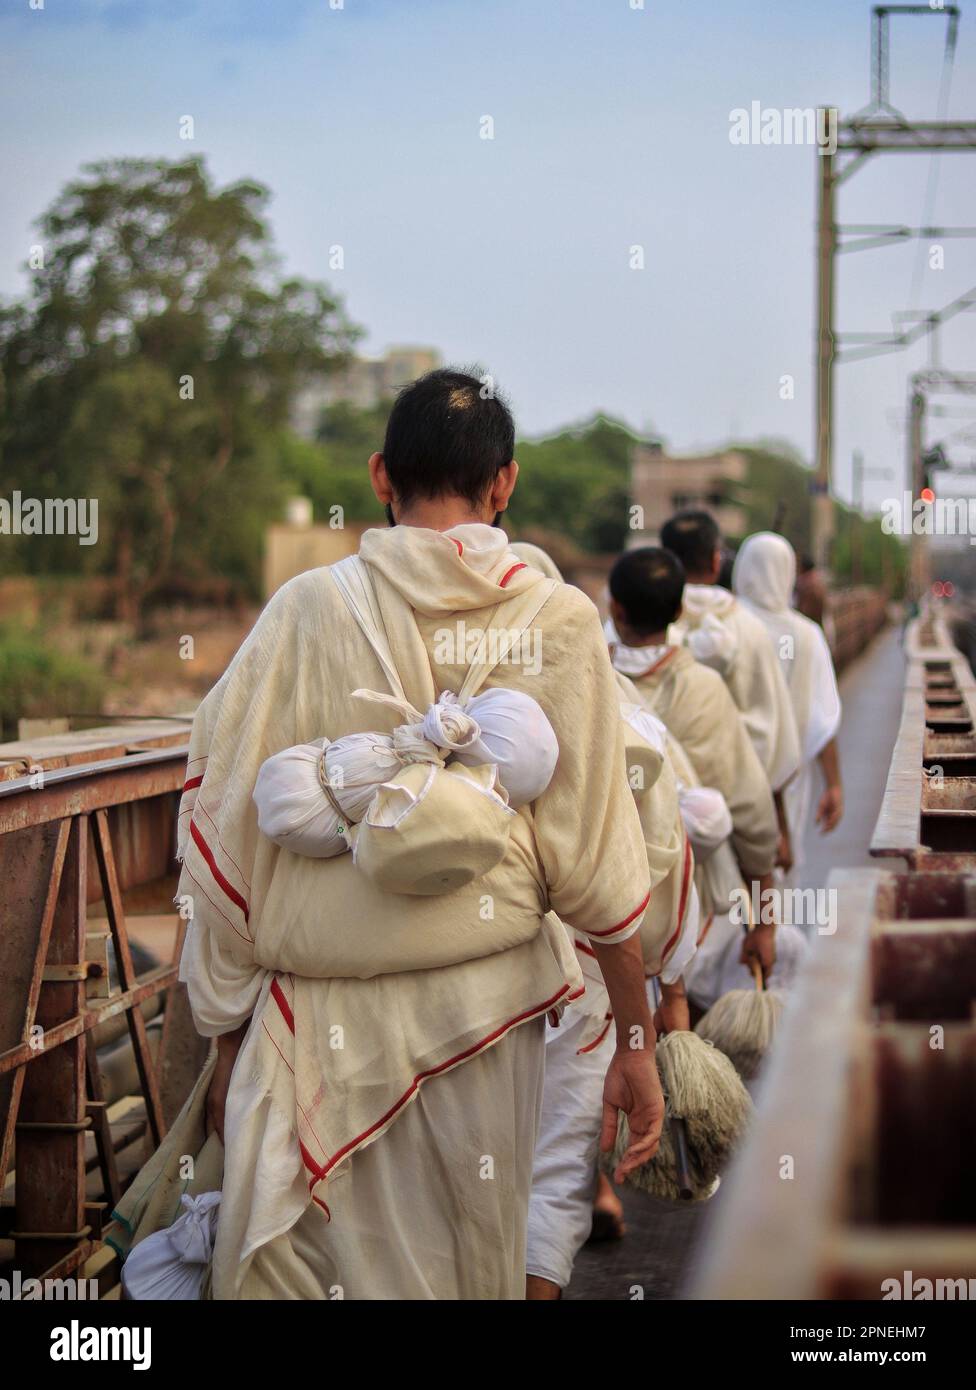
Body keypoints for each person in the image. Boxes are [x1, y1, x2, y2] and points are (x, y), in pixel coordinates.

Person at [176, 369, 664, 1300]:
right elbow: (599, 869)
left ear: (378, 476)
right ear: (506, 482)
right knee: (466, 1263)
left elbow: (223, 825)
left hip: (313, 1029)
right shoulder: (557, 620)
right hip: (484, 1030)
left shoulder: (306, 608)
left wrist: (224, 1033)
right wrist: (635, 1044)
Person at [509, 543, 696, 1299]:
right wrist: (657, 995)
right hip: (585, 981)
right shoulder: (630, 727)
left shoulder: (449, 709)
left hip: (458, 981)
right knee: (554, 1177)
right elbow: (659, 867)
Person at [605, 546, 779, 980]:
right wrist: (764, 921)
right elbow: (751, 810)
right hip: (689, 906)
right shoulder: (704, 689)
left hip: (601, 916)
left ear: (614, 608)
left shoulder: (587, 681)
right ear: (681, 610)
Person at [658, 510, 801, 868]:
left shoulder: (646, 620)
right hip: (742, 814)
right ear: (715, 559)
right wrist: (778, 825)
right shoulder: (748, 628)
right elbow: (775, 730)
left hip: (659, 812)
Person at [732, 532, 843, 872]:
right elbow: (822, 721)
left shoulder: (724, 626)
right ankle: (773, 924)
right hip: (789, 775)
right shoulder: (807, 634)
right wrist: (834, 784)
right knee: (779, 871)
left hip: (729, 771)